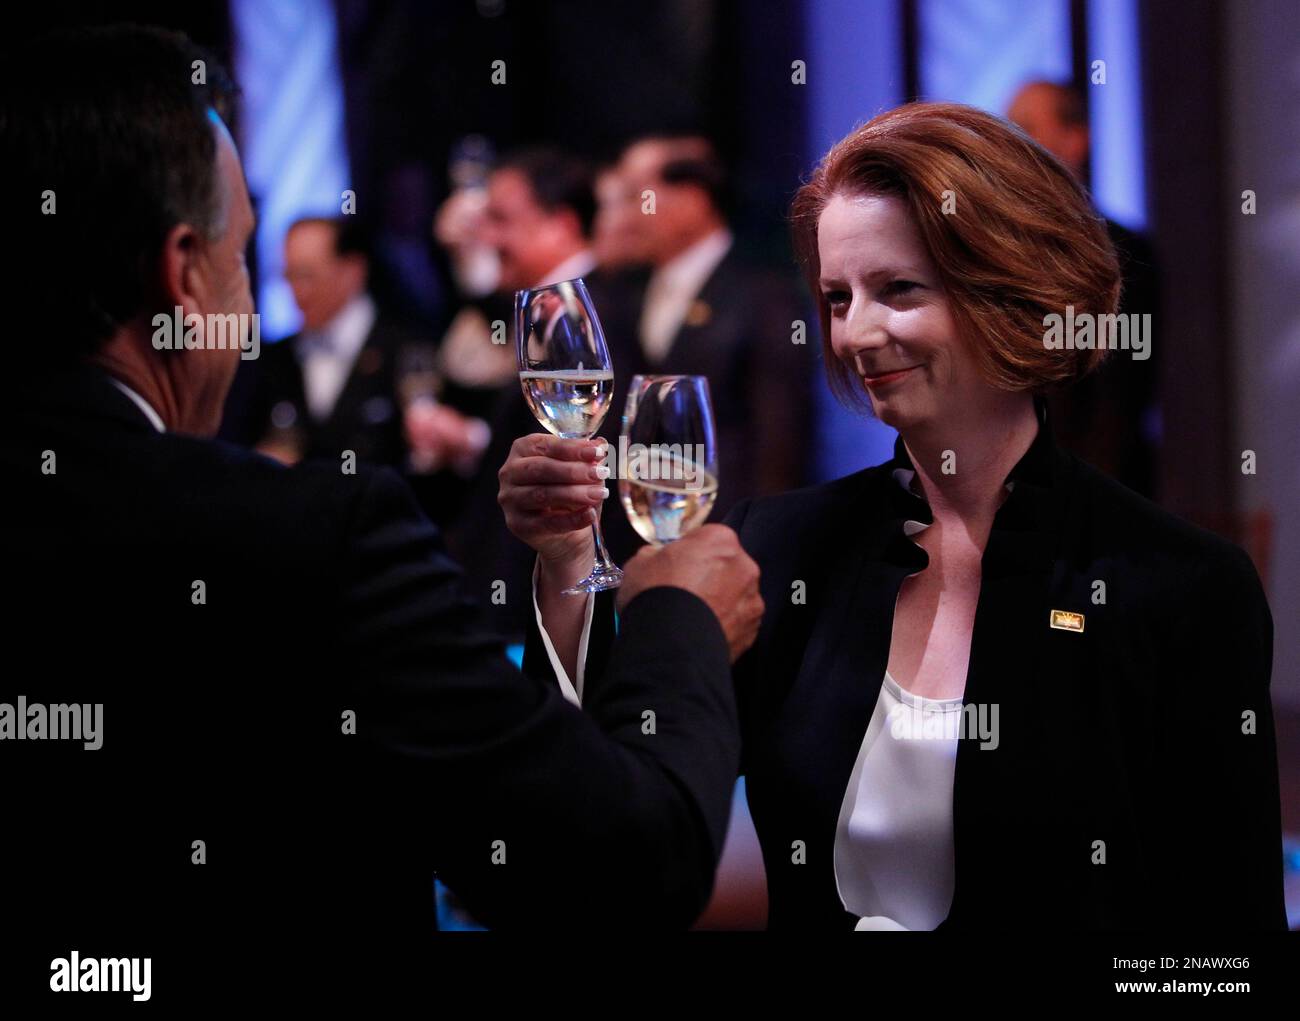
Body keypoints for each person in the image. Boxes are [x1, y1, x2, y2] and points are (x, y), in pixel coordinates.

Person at [0, 23, 764, 973]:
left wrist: (567, 565)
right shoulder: (310, 537)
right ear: (185, 272)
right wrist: (678, 616)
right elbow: (611, 866)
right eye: (248, 261)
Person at [506, 103, 1286, 930]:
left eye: (899, 290)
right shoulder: (779, 548)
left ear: (1015, 296)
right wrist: (564, 563)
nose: (857, 334)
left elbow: (1223, 949)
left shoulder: (1178, 585)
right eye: (839, 297)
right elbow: (602, 800)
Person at [586, 135, 815, 563]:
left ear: (691, 198)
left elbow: (780, 440)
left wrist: (761, 548)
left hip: (729, 539)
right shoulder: (627, 293)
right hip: (637, 540)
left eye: (638, 196)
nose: (624, 216)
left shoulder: (762, 296)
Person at [1007, 80, 1161, 497]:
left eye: (1025, 127)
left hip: (1102, 500)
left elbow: (1121, 397)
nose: (1012, 145)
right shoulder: (997, 255)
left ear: (1075, 140)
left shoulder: (1124, 254)